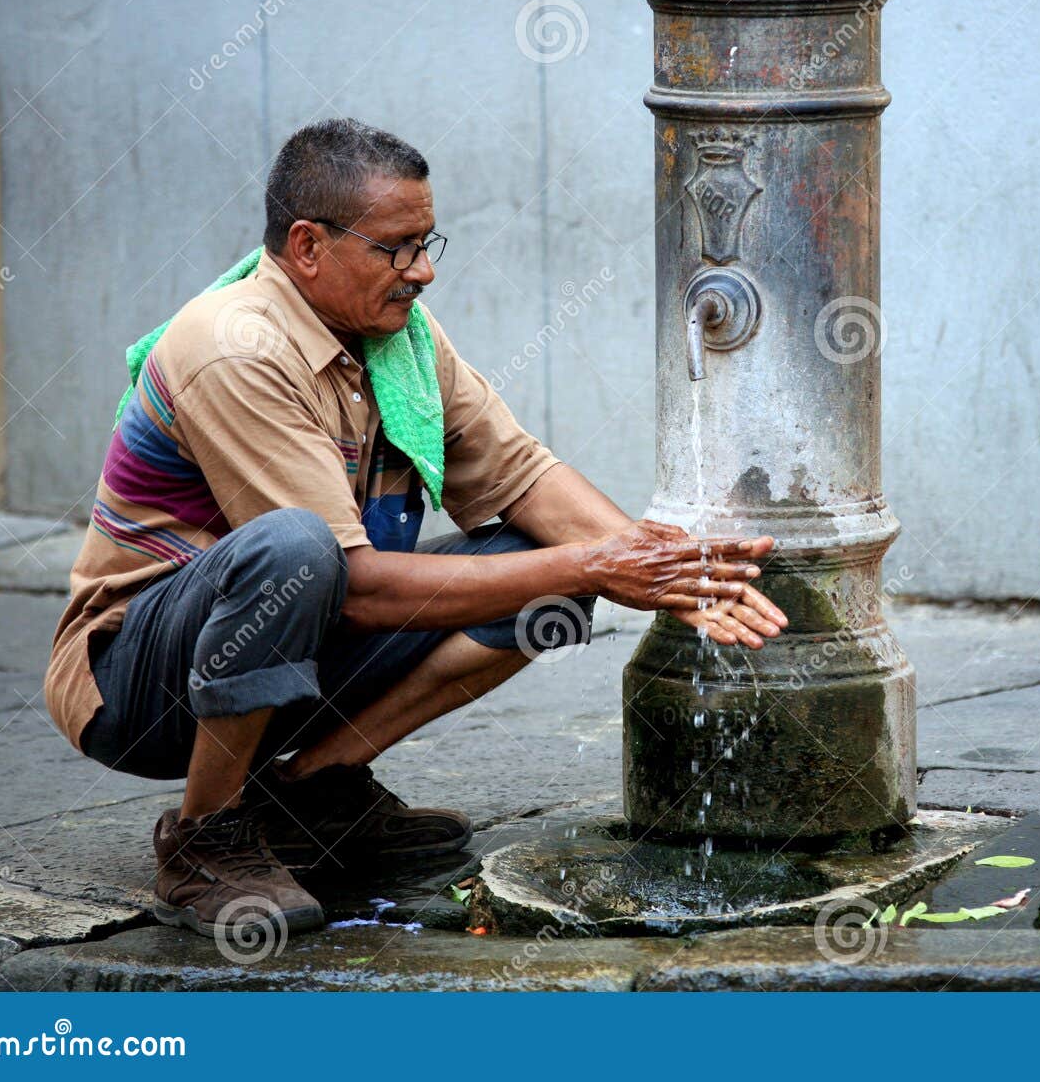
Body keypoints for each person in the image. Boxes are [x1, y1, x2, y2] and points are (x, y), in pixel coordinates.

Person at [42, 118, 787, 942]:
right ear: (308, 246)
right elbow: (350, 584)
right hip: (142, 681)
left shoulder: (397, 339)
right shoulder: (234, 346)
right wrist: (597, 565)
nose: (423, 270)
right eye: (397, 248)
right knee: (299, 548)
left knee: (543, 569)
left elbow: (522, 475)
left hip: (301, 634)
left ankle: (309, 795)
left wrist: (669, 569)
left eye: (428, 242)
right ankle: (204, 839)